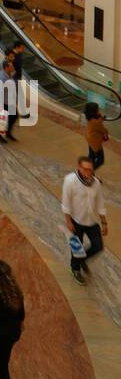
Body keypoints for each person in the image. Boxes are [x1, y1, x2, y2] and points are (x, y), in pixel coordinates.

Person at [62, 155, 108, 284]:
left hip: (92, 221)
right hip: (76, 220)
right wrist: (68, 221)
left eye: (90, 169)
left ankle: (82, 260)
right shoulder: (70, 180)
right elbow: (65, 202)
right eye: (86, 169)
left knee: (98, 246)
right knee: (77, 247)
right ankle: (75, 269)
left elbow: (100, 203)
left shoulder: (96, 183)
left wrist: (104, 222)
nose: (89, 172)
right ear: (79, 168)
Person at [84, 101, 109, 171]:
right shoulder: (96, 122)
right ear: (94, 112)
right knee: (100, 160)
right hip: (95, 141)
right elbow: (103, 130)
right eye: (98, 109)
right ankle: (88, 172)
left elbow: (98, 121)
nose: (99, 110)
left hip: (90, 138)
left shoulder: (90, 118)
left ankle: (85, 167)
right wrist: (106, 133)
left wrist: (100, 117)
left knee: (91, 155)